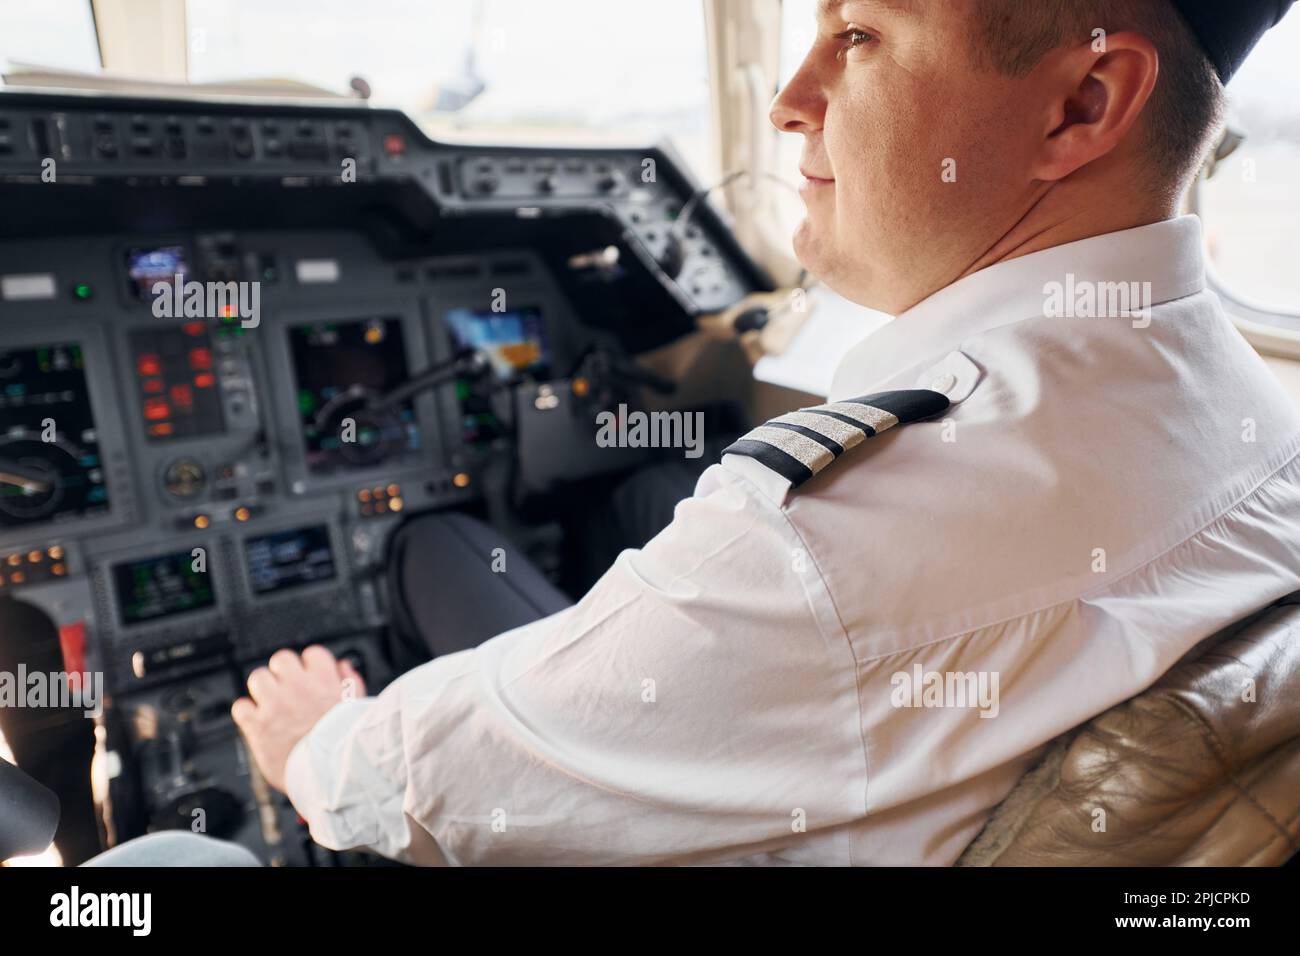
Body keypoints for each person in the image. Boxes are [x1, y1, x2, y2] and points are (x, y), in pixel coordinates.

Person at [114, 0, 1300, 865]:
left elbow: (439, 789)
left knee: (421, 561)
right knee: (629, 498)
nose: (789, 100)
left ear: (1082, 103)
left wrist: (315, 745)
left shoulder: (832, 536)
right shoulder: (1242, 398)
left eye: (858, 35)